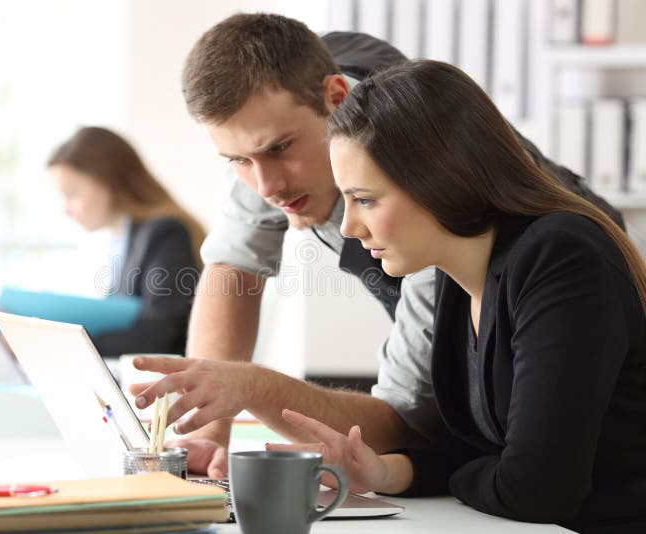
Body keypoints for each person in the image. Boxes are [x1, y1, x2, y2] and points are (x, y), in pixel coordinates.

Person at [130, 13, 624, 479]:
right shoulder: (275, 122)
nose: (264, 187)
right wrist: (208, 429)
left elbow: (408, 419)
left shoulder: (433, 206)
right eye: (237, 160)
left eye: (278, 149)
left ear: (337, 97)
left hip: (576, 353)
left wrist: (254, 388)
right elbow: (232, 267)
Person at [261, 60, 646, 533]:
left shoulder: (559, 255)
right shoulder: (455, 275)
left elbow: (536, 490)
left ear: (439, 179)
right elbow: (483, 448)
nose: (348, 228)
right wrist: (382, 471)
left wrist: (476, 473)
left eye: (366, 199)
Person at [47, 126, 205, 357]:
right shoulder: (125, 239)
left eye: (72, 193)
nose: (66, 210)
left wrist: (61, 346)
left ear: (105, 182)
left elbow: (157, 336)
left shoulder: (166, 234)